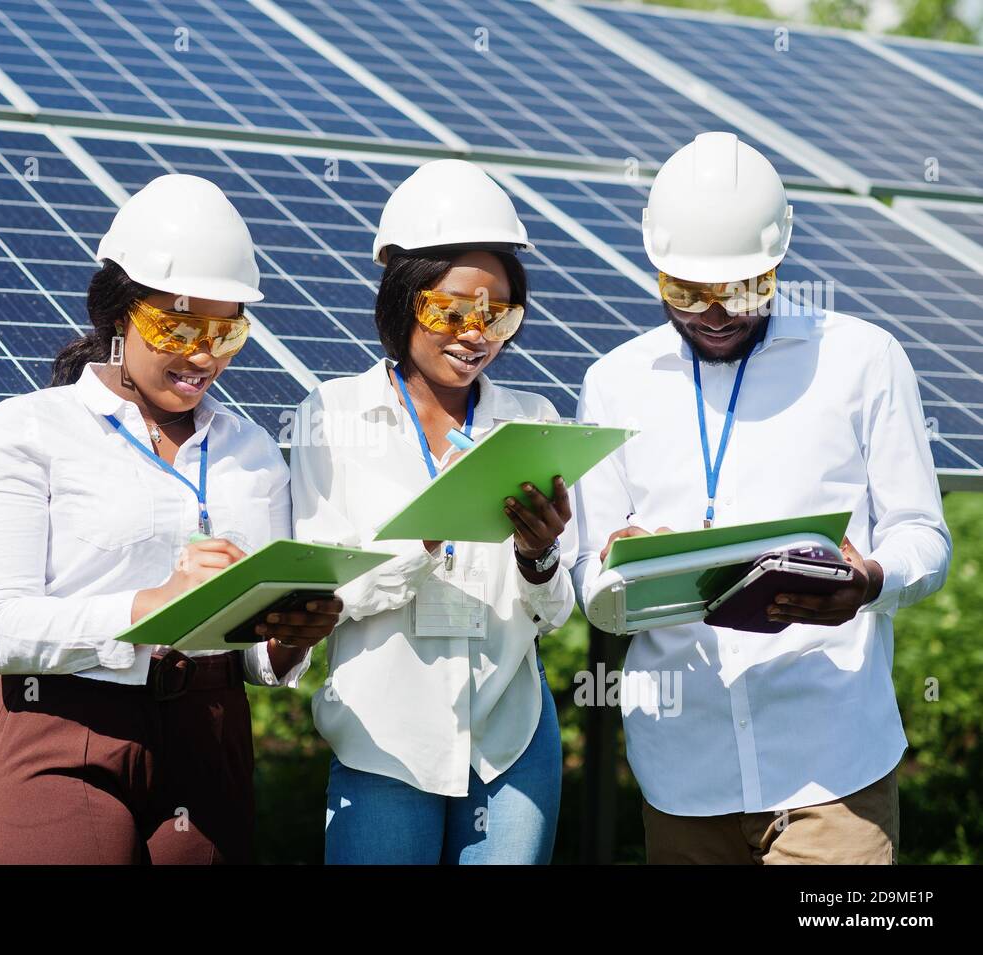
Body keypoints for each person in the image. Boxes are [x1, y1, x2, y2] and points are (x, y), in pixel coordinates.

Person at [570, 132, 952, 864]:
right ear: (655, 269)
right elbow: (591, 580)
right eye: (686, 293)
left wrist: (871, 580)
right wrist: (620, 569)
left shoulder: (862, 360)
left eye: (741, 290)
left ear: (778, 263)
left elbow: (924, 535)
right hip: (683, 772)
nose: (714, 314)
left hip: (832, 765)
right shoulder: (613, 383)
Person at [0, 174, 341, 864]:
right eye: (179, 326)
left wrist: (287, 640)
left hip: (211, 732)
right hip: (65, 721)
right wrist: (151, 607)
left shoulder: (252, 451)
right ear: (118, 313)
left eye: (227, 331)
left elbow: (251, 654)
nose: (204, 354)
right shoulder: (28, 430)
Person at [291, 160, 576, 865]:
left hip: (510, 732)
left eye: (497, 314)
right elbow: (324, 587)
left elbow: (555, 611)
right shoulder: (332, 415)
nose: (474, 333)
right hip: (387, 735)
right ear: (402, 298)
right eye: (449, 310)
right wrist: (418, 544)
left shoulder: (531, 421)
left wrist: (538, 559)